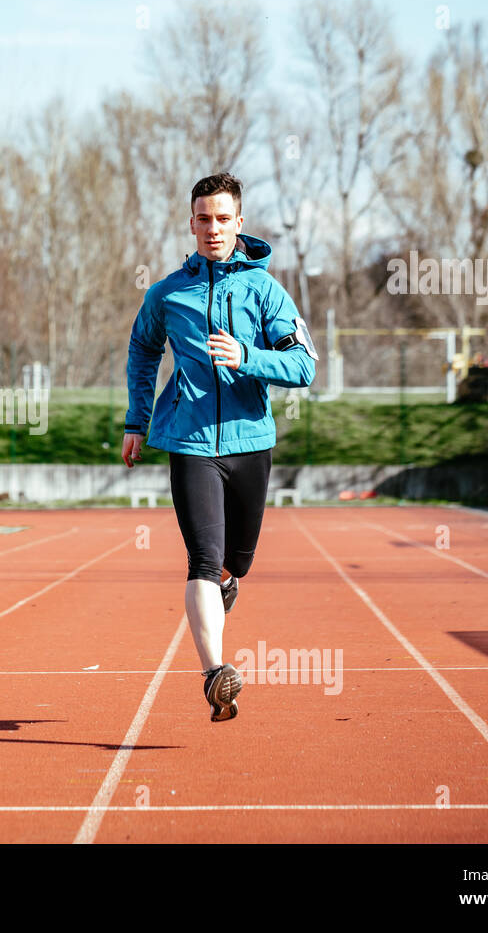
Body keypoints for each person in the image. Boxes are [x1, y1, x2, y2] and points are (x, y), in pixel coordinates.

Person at [121, 172, 317, 722]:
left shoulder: (265, 290)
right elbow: (142, 352)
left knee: (237, 562)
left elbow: (304, 366)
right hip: (190, 443)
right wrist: (136, 422)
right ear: (191, 223)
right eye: (203, 218)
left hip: (251, 442)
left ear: (239, 223)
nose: (213, 228)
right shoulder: (166, 293)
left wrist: (247, 356)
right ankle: (215, 674)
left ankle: (229, 581)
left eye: (223, 218)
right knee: (202, 560)